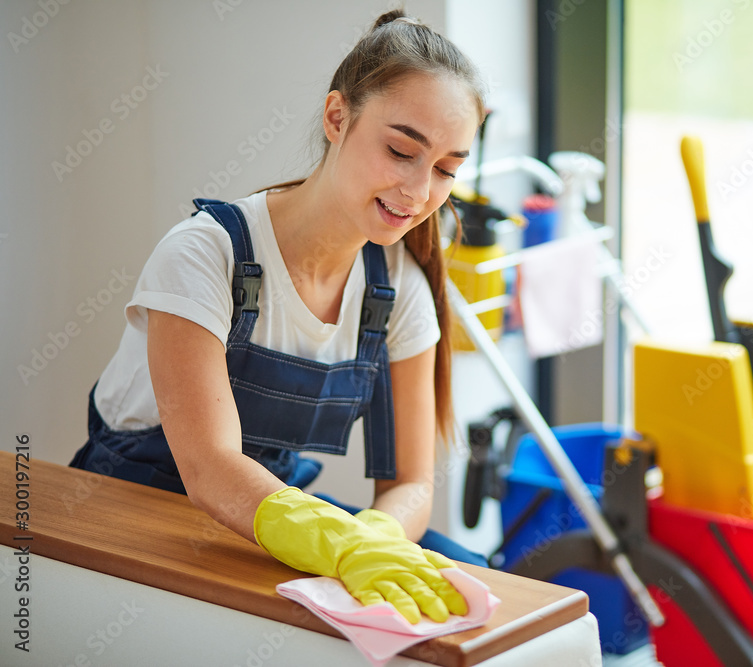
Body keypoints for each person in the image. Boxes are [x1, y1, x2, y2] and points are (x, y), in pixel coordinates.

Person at [69, 9, 487, 625]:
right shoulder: (208, 254)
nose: (421, 191)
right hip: (139, 515)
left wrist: (373, 541)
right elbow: (210, 471)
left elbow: (411, 485)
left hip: (275, 523)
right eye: (402, 151)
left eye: (448, 168)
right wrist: (338, 544)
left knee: (474, 584)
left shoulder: (397, 291)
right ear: (337, 117)